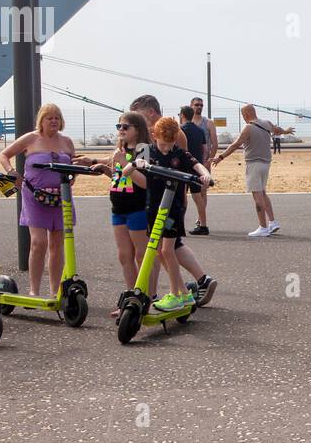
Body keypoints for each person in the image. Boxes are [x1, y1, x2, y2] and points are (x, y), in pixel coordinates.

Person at [129, 95, 217, 304]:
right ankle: (192, 285)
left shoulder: (172, 134)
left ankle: (180, 291)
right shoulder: (150, 140)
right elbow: (136, 163)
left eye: (138, 113)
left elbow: (187, 161)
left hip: (171, 200)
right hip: (155, 201)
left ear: (150, 112)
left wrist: (204, 175)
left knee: (168, 249)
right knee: (165, 249)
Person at [76, 111, 151, 314]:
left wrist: (123, 162)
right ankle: (130, 298)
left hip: (136, 208)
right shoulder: (120, 150)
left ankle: (144, 296)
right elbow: (120, 178)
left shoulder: (143, 150)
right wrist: (104, 168)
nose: (121, 131)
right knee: (124, 255)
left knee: (140, 254)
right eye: (119, 127)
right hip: (118, 208)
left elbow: (144, 182)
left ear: (138, 129)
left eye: (126, 127)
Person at [0, 103, 75, 297]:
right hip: (34, 196)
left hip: (60, 197)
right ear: (41, 120)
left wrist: (74, 178)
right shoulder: (31, 139)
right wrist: (11, 172)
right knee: (38, 243)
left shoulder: (66, 141)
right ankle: (34, 290)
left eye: (57, 117)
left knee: (57, 244)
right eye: (50, 118)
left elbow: (72, 165)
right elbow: (4, 155)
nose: (54, 121)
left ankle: (55, 290)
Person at [214, 104, 294, 238]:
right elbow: (277, 130)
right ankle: (272, 222)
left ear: (245, 114)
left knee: (257, 196)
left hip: (254, 164)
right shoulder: (266, 123)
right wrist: (286, 131)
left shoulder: (248, 127)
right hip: (266, 163)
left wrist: (220, 157)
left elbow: (235, 145)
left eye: (242, 115)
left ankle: (263, 227)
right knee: (263, 193)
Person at [180, 105, 210, 235]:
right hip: (196, 165)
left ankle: (179, 224)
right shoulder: (199, 130)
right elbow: (205, 149)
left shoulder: (180, 130)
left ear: (182, 115)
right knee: (198, 196)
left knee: (182, 196)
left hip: (183, 166)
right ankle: (203, 224)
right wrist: (202, 163)